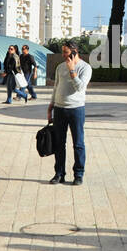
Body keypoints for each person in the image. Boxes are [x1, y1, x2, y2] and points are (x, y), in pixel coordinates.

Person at [47, 42, 92, 185]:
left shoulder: (85, 68)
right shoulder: (60, 67)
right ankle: (59, 173)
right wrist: (51, 105)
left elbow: (80, 87)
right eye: (63, 52)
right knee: (59, 143)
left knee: (78, 143)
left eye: (65, 52)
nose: (63, 55)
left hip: (76, 109)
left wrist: (72, 70)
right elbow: (56, 87)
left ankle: (78, 174)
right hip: (59, 109)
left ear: (74, 52)